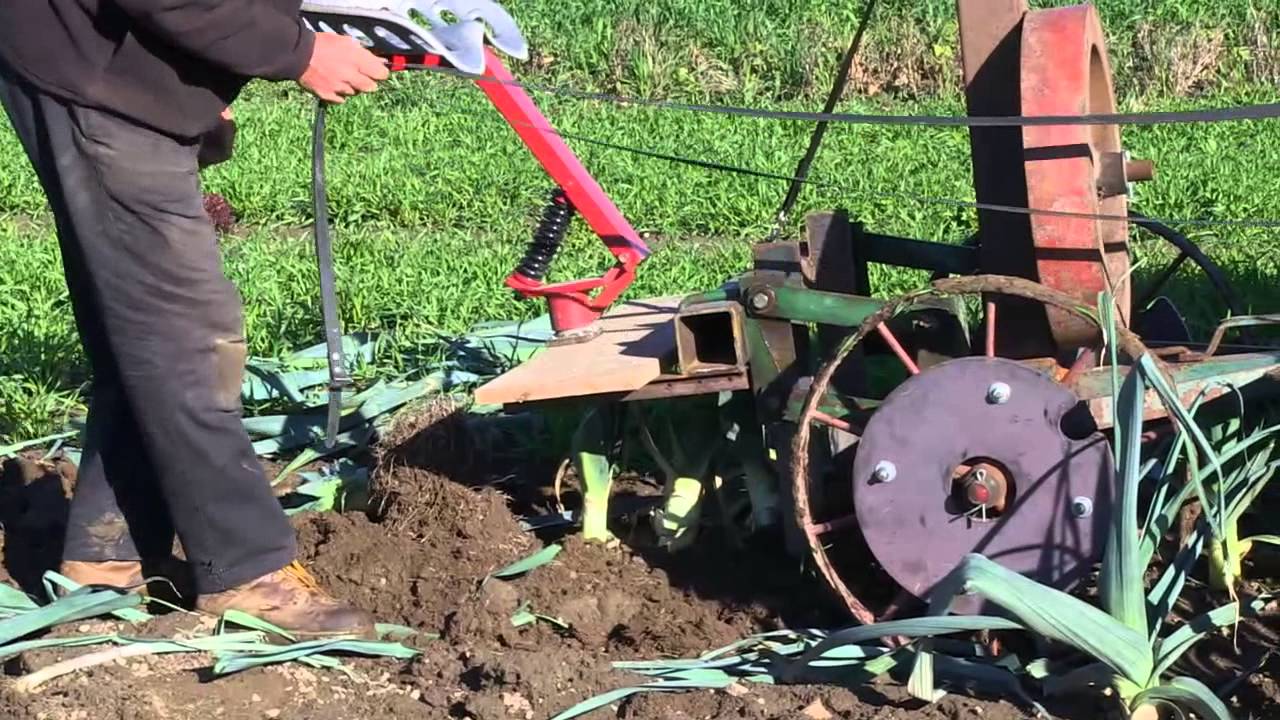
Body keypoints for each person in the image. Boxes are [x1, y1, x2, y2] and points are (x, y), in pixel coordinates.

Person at [0, 1, 389, 637]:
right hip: (96, 72)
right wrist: (301, 53)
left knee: (142, 334)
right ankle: (245, 570)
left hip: (103, 59)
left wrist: (196, 76)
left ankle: (107, 557)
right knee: (187, 338)